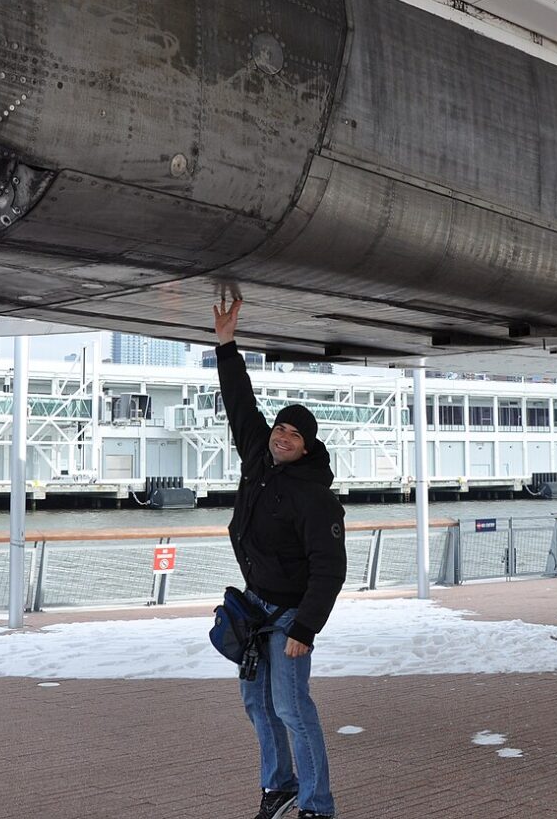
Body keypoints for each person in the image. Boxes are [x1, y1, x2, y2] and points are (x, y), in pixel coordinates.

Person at [213, 296, 345, 819]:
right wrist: (227, 344)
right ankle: (279, 785)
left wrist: (305, 629)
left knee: (292, 708)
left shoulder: (316, 497)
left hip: (291, 615)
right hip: (255, 606)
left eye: (294, 434)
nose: (283, 437)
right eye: (280, 429)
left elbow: (330, 569)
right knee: (257, 703)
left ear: (306, 447)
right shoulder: (258, 459)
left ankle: (317, 805)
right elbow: (239, 404)